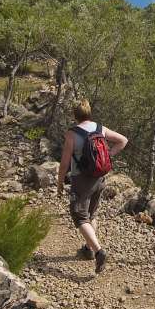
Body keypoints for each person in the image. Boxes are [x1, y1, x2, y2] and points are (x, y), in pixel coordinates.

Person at [57, 99, 128, 274]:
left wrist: (59, 182)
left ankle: (98, 251)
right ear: (89, 113)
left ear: (75, 115)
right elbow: (123, 140)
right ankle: (88, 249)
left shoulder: (72, 134)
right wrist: (109, 155)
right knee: (92, 213)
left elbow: (65, 163)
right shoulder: (100, 129)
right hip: (100, 177)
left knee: (80, 216)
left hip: (81, 179)